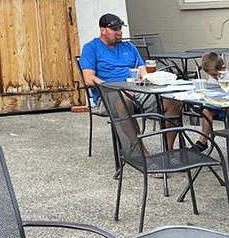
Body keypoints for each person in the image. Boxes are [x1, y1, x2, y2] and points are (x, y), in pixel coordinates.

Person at [79, 13, 181, 150]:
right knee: (123, 101)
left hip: (136, 91)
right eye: (115, 29)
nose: (119, 33)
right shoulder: (91, 48)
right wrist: (117, 89)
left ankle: (168, 151)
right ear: (103, 31)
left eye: (120, 29)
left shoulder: (129, 47)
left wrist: (147, 79)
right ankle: (141, 153)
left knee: (173, 100)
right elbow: (89, 79)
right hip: (109, 95)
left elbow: (143, 71)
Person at [194, 51, 227, 151]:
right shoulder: (213, 78)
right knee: (206, 111)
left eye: (214, 74)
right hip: (218, 106)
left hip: (226, 107)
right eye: (211, 75)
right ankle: (203, 140)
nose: (214, 77)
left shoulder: (226, 76)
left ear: (223, 68)